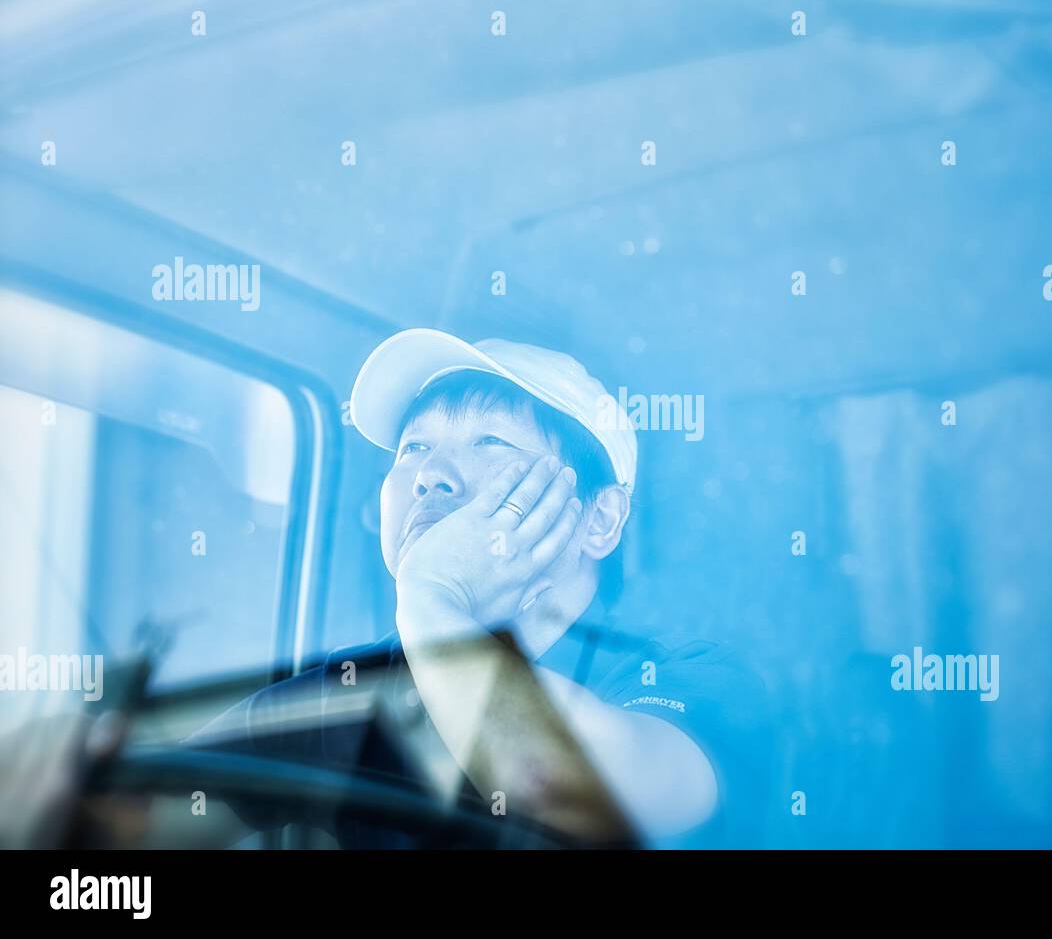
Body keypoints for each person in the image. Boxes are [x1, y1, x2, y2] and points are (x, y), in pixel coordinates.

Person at [192, 329, 772, 848]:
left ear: (599, 519)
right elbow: (139, 819)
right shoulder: (349, 691)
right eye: (413, 447)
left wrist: (435, 597)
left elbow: (590, 797)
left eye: (491, 440)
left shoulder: (686, 675)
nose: (428, 474)